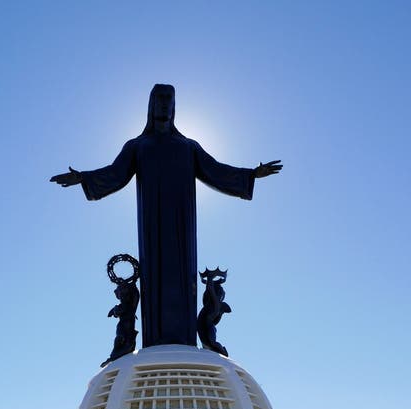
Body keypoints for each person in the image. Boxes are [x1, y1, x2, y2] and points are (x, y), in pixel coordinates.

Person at [51, 84, 281, 347]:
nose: (164, 104)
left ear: (174, 106)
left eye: (168, 100)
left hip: (183, 224)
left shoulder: (188, 147)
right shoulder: (138, 146)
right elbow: (114, 174)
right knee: (155, 277)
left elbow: (216, 171)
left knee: (182, 278)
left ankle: (185, 344)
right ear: (151, 105)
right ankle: (155, 344)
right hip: (152, 224)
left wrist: (251, 174)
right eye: (159, 99)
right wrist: (83, 178)